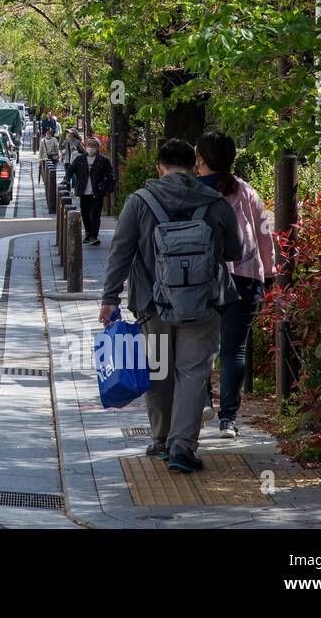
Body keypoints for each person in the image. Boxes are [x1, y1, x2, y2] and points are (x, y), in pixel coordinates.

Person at [99, 138, 243, 473]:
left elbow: (120, 252)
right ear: (194, 166)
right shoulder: (215, 202)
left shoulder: (140, 202)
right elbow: (235, 251)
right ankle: (183, 447)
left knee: (159, 371)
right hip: (203, 305)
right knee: (192, 373)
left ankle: (161, 440)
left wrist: (109, 298)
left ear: (159, 167)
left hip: (152, 304)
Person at [195, 131, 276, 438]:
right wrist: (269, 274)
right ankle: (228, 419)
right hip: (244, 276)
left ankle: (202, 399)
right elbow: (264, 233)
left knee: (200, 346)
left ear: (200, 160)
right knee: (233, 351)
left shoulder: (191, 192)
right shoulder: (246, 191)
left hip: (201, 279)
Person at [65, 135, 115, 245]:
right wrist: (66, 180)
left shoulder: (103, 160)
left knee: (95, 214)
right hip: (83, 192)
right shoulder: (80, 159)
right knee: (85, 214)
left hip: (97, 192)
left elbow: (110, 176)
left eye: (93, 145)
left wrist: (106, 188)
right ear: (85, 146)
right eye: (88, 145)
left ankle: (93, 236)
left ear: (98, 147)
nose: (90, 147)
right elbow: (70, 170)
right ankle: (88, 233)